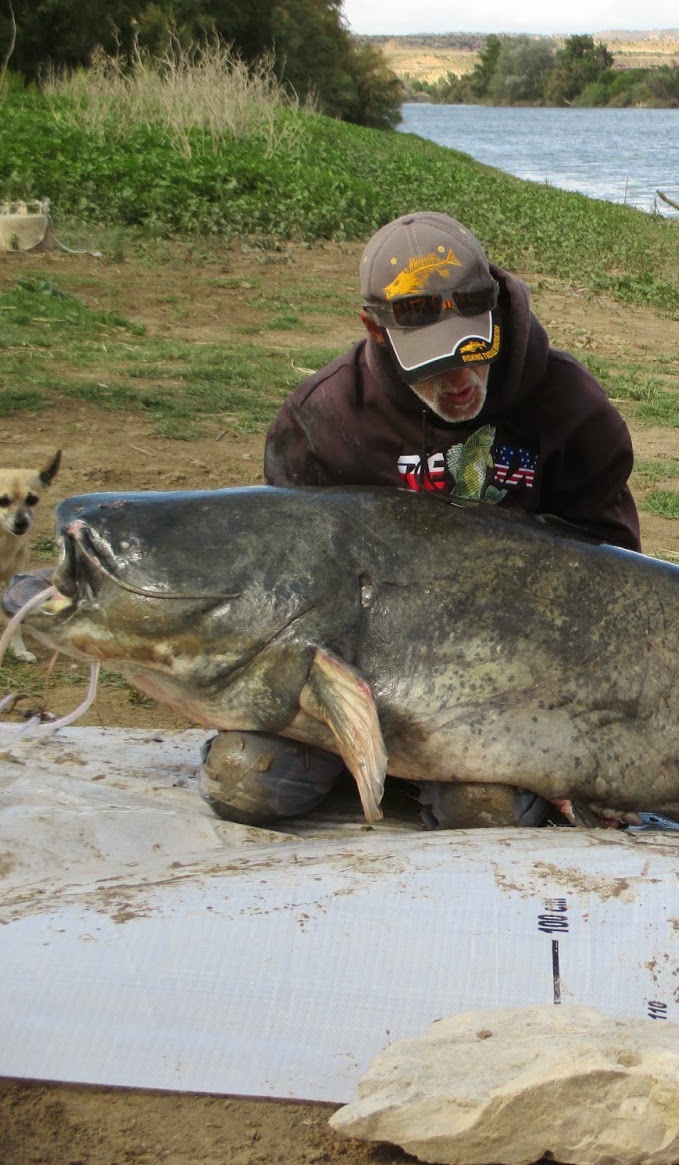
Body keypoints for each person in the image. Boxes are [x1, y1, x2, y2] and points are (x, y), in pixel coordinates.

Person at [200, 210, 640, 829]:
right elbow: (286, 588)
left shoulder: (571, 408)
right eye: (430, 362)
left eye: (473, 351)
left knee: (483, 812)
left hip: (511, 683)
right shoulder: (321, 422)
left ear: (495, 310)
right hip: (355, 672)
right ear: (374, 330)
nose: (458, 380)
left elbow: (616, 585)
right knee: (247, 782)